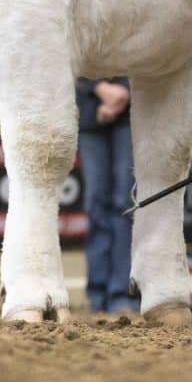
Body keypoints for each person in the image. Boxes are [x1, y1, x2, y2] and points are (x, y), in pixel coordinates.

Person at [76, 77, 137, 315]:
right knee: (96, 204)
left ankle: (122, 293)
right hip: (90, 116)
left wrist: (124, 92)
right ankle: (98, 294)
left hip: (130, 115)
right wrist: (101, 90)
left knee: (125, 204)